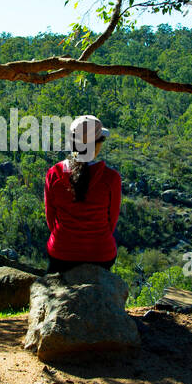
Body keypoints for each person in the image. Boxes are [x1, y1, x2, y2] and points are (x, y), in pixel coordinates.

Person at [43, 114, 122, 273]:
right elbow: (111, 221)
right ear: (96, 146)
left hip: (61, 253)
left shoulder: (54, 174)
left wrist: (67, 241)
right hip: (101, 254)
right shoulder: (111, 178)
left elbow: (51, 218)